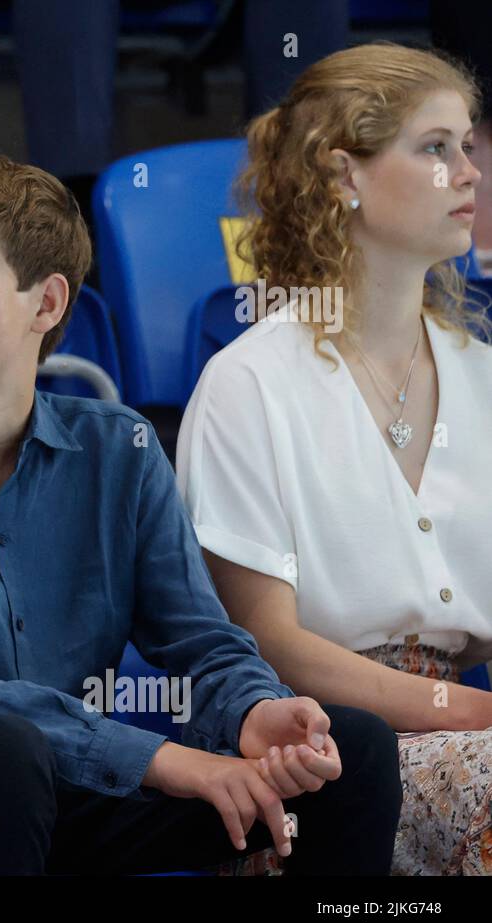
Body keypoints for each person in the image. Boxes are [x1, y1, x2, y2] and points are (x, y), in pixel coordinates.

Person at [0, 153, 402, 875]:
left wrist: (253, 712)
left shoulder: (123, 447)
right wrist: (169, 761)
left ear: (47, 304)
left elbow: (202, 642)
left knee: (354, 753)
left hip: (63, 791)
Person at [178, 43, 492, 875]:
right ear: (342, 174)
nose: (469, 173)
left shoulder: (481, 374)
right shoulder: (249, 383)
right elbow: (266, 639)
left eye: (468, 146)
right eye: (435, 148)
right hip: (322, 749)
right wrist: (467, 711)